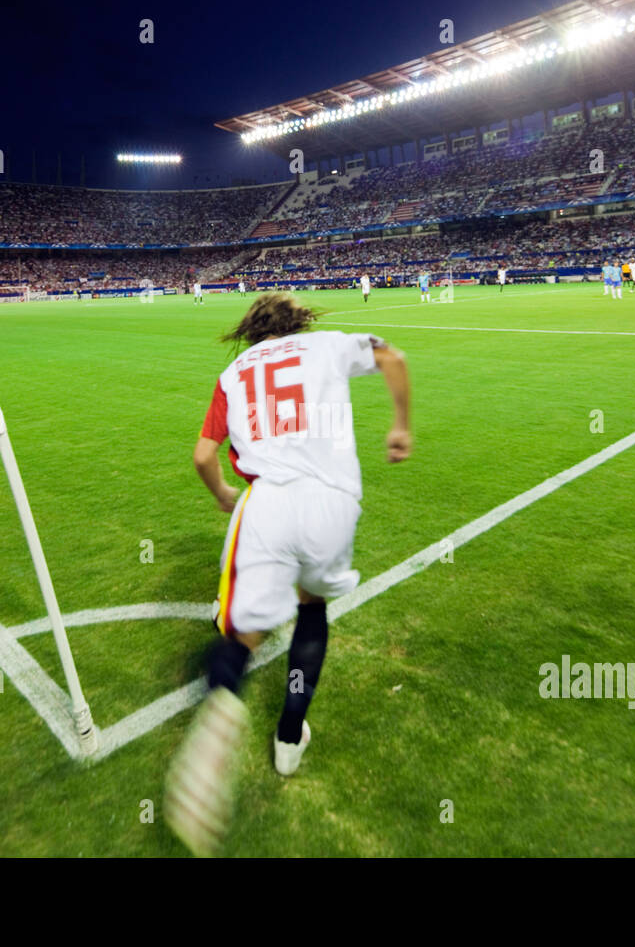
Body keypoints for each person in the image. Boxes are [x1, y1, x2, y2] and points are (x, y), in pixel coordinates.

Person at [165, 293, 411, 857]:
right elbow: (393, 358)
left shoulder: (235, 371)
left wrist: (225, 494)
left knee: (239, 635)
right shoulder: (327, 345)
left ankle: (222, 706)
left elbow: (204, 455)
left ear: (251, 332)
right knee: (312, 610)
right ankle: (288, 735)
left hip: (267, 503)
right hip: (333, 503)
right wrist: (399, 428)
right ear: (298, 321)